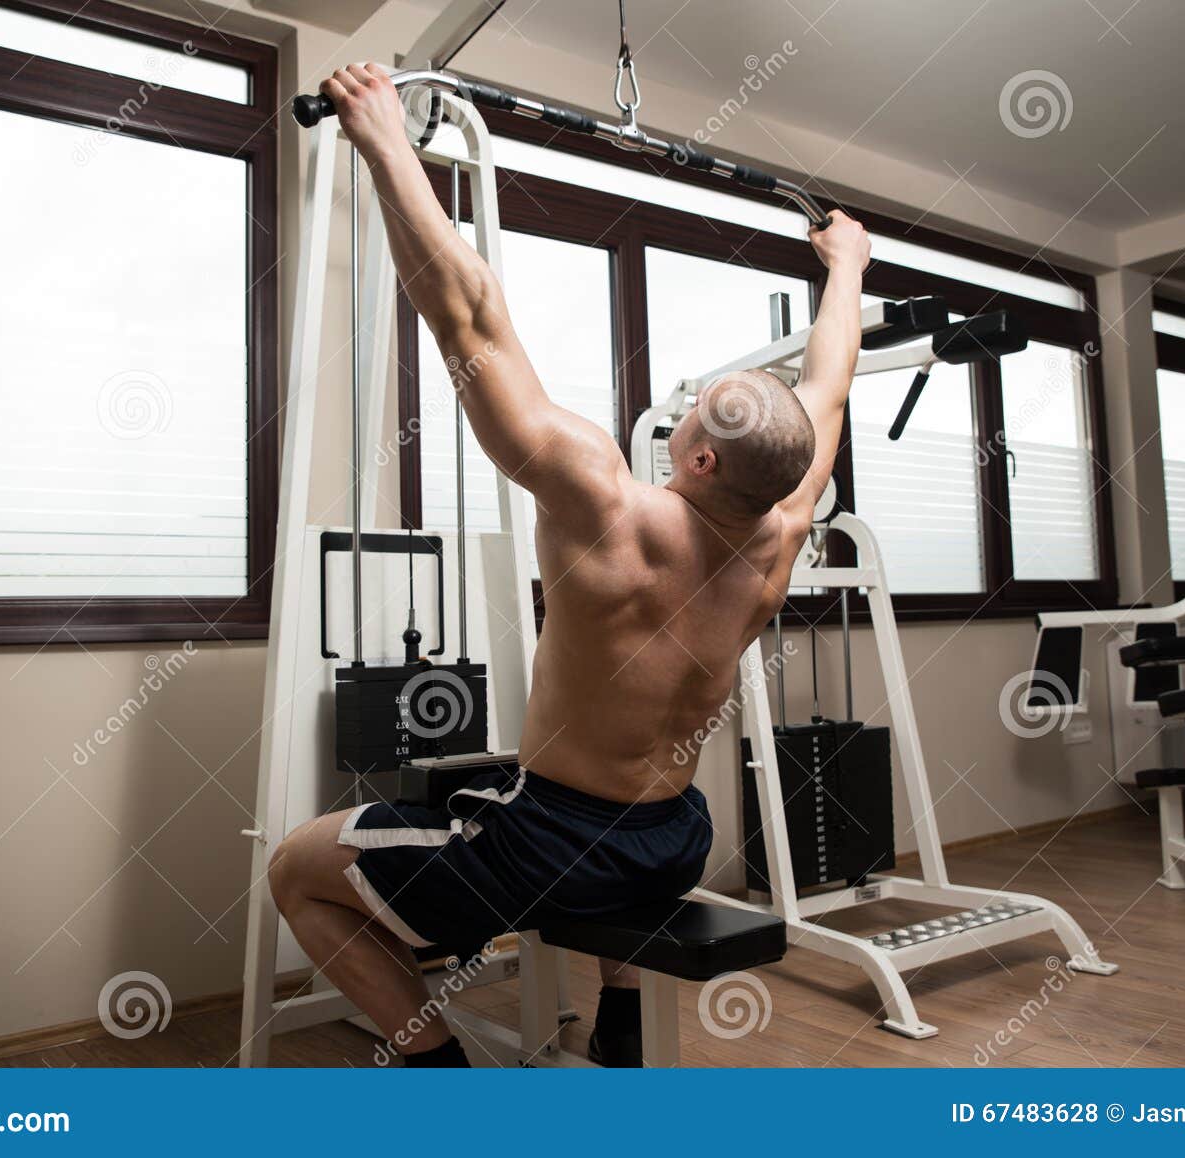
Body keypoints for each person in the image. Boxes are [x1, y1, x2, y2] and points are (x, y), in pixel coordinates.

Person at [269, 63, 872, 1067]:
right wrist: (845, 264)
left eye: (690, 416)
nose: (677, 419)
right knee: (609, 848)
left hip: (548, 844)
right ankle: (619, 1045)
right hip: (675, 831)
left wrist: (382, 139)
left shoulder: (607, 504)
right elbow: (831, 385)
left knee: (295, 867)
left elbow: (466, 317)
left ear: (701, 458)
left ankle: (435, 1069)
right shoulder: (785, 523)